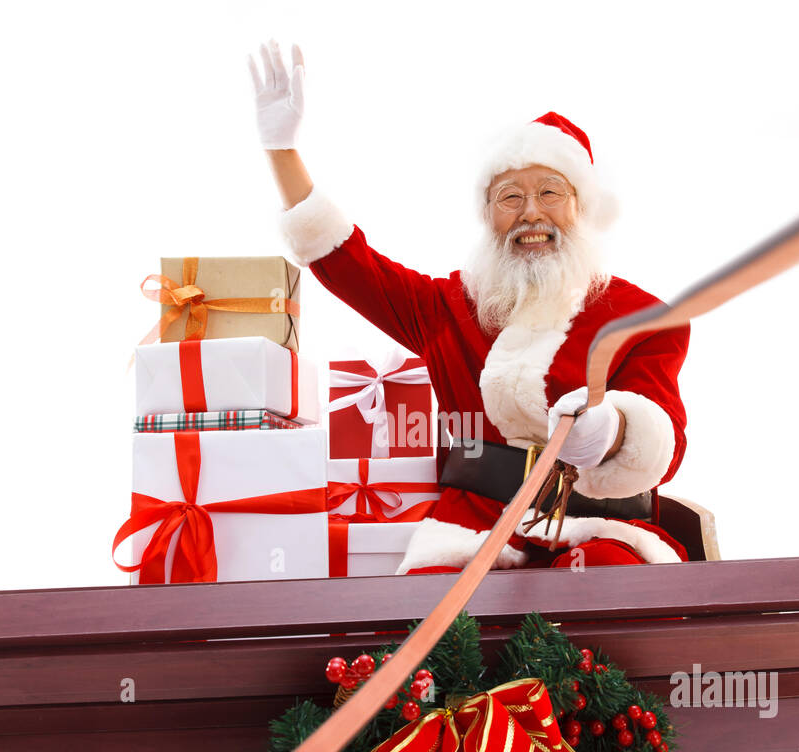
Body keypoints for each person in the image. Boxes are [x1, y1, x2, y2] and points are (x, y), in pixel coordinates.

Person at [249, 40, 690, 573]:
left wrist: (613, 428)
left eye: (550, 193)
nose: (531, 213)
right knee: (434, 624)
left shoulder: (646, 318)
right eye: (510, 197)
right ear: (489, 215)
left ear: (582, 207)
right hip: (474, 525)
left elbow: (662, 436)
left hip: (601, 525)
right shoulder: (448, 308)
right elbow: (349, 264)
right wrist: (281, 151)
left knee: (604, 588)